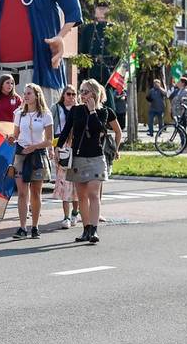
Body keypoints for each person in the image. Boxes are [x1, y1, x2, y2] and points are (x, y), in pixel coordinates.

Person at [57, 79, 122, 244]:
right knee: (82, 196)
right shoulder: (76, 110)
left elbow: (97, 129)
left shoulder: (104, 111)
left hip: (96, 157)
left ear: (94, 93)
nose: (81, 95)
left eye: (85, 91)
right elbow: (66, 130)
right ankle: (85, 229)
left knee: (93, 193)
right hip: (78, 157)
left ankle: (94, 230)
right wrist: (58, 147)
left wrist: (92, 110)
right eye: (81, 91)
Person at [10, 83, 53, 239]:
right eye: (25, 93)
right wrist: (11, 138)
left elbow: (49, 140)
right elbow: (15, 134)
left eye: (29, 93)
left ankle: (35, 226)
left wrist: (34, 147)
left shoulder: (45, 114)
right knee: (22, 192)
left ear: (37, 95)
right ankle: (22, 227)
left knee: (36, 192)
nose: (26, 96)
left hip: (37, 155)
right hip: (21, 154)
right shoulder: (19, 114)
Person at [51, 86, 80, 229]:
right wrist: (52, 146)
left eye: (74, 94)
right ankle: (66, 216)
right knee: (63, 182)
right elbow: (51, 127)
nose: (71, 96)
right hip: (61, 144)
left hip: (76, 147)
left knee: (76, 183)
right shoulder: (56, 108)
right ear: (63, 95)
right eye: (68, 94)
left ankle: (75, 212)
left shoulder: (80, 109)